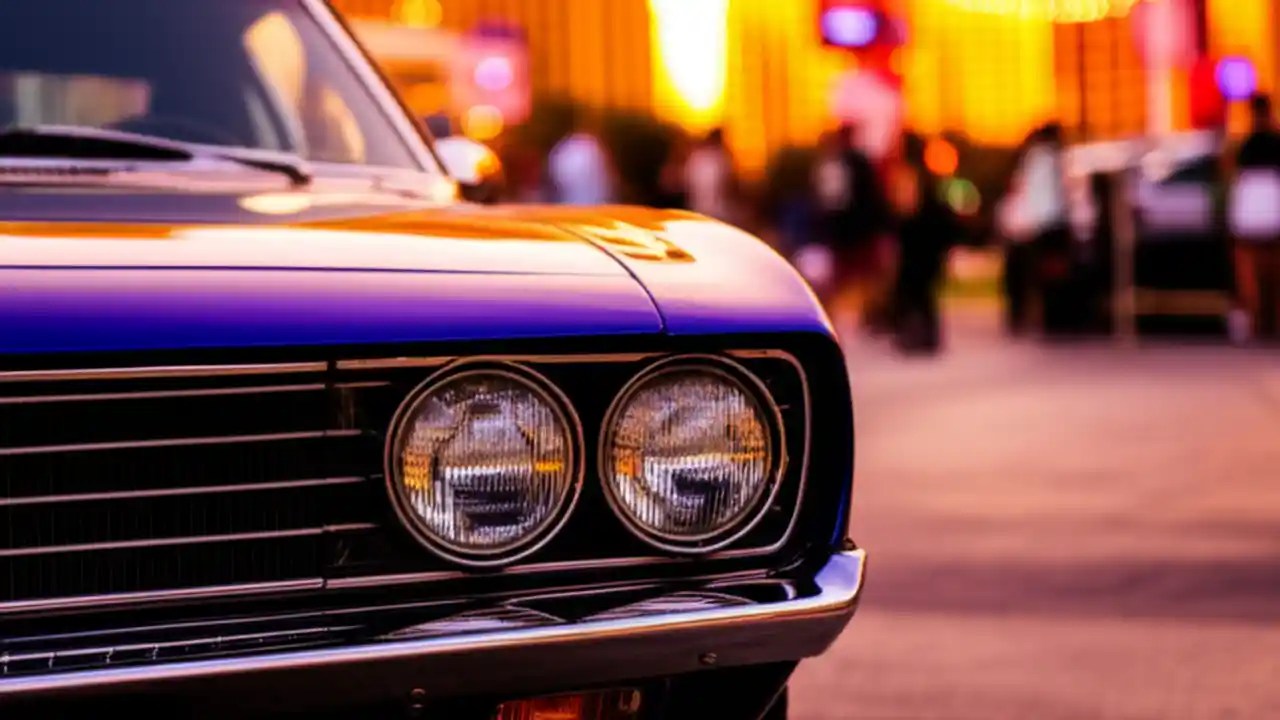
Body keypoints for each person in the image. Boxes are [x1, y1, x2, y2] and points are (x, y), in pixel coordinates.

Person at [889, 132, 958, 354]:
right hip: (928, 243)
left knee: (914, 290)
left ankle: (918, 335)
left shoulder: (910, 175)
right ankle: (926, 335)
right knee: (923, 291)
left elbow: (907, 210)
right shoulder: (929, 175)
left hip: (916, 243)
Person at [1003, 122, 1070, 335]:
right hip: (1044, 226)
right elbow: (1042, 199)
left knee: (1032, 277)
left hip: (1035, 226)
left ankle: (1030, 317)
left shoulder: (1034, 158)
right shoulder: (1046, 158)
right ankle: (1045, 318)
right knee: (1043, 276)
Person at [1227, 93, 1280, 341]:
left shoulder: (1247, 146)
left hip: (1253, 214)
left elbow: (1238, 181)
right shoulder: (1261, 143)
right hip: (1262, 212)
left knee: (1252, 271)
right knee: (1265, 271)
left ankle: (1258, 322)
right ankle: (1262, 322)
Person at [547, 109, 615, 206]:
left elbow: (557, 177)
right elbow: (607, 183)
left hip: (571, 205)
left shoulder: (565, 147)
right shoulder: (595, 148)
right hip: (592, 205)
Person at [685, 127, 738, 223]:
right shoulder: (721, 158)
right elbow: (728, 185)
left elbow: (687, 183)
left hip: (697, 209)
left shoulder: (696, 157)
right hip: (718, 212)